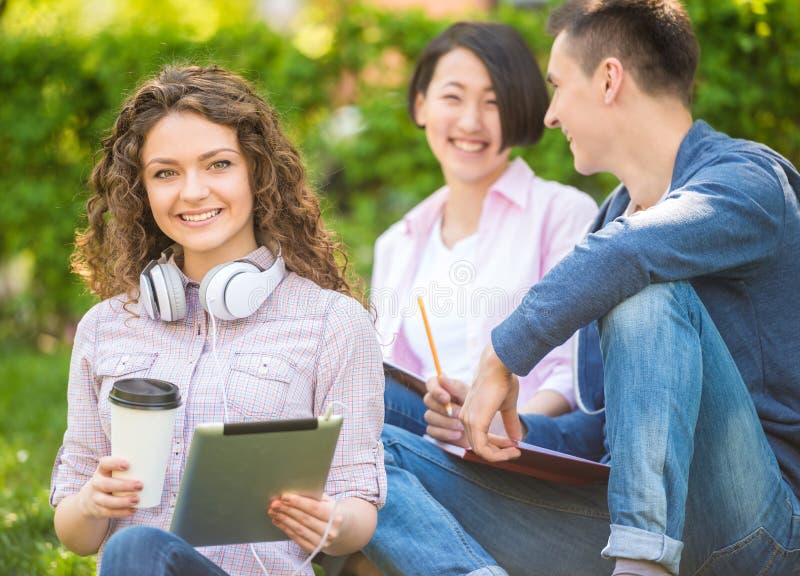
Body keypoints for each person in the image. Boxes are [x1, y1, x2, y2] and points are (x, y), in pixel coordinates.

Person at [363, 1, 800, 575]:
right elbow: (610, 430)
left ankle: (642, 566)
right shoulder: (611, 218)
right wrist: (508, 431)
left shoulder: (750, 182)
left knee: (646, 292)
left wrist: (504, 353)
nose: (547, 115)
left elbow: (631, 254)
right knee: (377, 461)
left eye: (558, 86)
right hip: (626, 518)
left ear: (609, 79)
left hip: (756, 529)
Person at [50, 65, 386, 576]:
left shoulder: (331, 323)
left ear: (257, 171)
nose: (192, 192)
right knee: (133, 548)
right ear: (142, 190)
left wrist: (330, 523)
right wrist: (93, 502)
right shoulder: (105, 327)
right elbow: (74, 533)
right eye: (166, 172)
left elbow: (358, 509)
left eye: (218, 164)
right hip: (136, 564)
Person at [370, 21, 598, 438]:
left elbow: (575, 370)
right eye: (452, 97)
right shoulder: (397, 243)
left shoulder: (562, 214)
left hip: (517, 451)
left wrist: (499, 425)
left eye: (493, 103)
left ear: (521, 111)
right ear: (421, 105)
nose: (471, 121)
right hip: (424, 447)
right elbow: (394, 375)